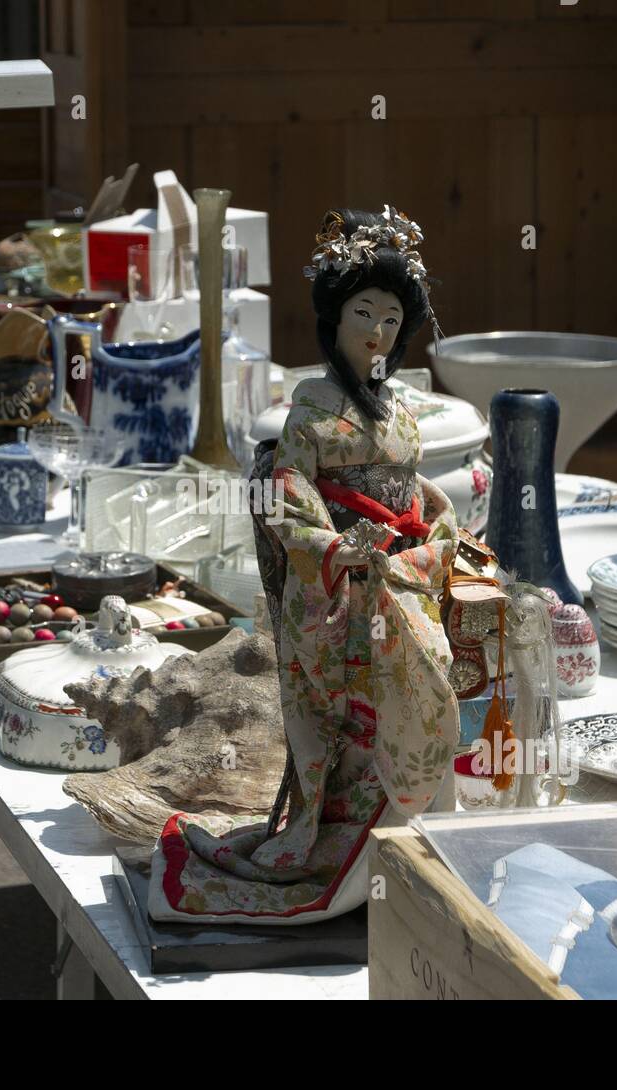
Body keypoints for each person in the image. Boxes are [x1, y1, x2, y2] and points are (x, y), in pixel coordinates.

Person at [148, 207, 461, 924]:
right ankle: (340, 851)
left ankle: (400, 846)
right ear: (334, 317)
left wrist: (435, 538)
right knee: (348, 724)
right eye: (362, 312)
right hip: (337, 590)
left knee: (413, 701)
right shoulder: (309, 410)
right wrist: (333, 549)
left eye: (390, 317)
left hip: (397, 577)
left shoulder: (401, 411)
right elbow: (284, 491)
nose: (377, 331)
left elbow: (422, 493)